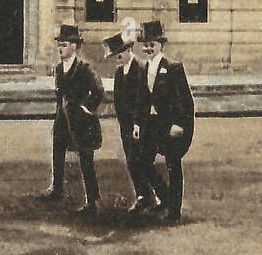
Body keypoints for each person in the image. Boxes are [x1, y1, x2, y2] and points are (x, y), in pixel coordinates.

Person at [39, 23, 106, 216]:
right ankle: (57, 189)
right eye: (59, 44)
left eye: (64, 44)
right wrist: (59, 113)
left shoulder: (85, 68)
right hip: (63, 120)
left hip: (82, 122)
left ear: (74, 46)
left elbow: (99, 91)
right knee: (57, 153)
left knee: (86, 160)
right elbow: (59, 95)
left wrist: (86, 108)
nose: (60, 48)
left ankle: (92, 200)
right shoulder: (59, 69)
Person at [133, 20, 195, 224]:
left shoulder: (172, 67)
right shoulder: (143, 68)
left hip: (168, 124)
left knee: (172, 165)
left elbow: (185, 100)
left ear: (161, 45)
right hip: (150, 124)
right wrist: (137, 123)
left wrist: (179, 124)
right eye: (145, 45)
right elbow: (141, 98)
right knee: (142, 161)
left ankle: (174, 210)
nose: (148, 48)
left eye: (152, 44)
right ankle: (165, 197)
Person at [104, 29, 159, 214]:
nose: (117, 58)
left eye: (119, 54)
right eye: (114, 56)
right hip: (126, 125)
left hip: (141, 125)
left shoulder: (142, 68)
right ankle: (143, 196)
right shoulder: (120, 73)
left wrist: (137, 123)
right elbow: (119, 100)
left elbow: (143, 99)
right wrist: (123, 123)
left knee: (141, 161)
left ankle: (161, 196)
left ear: (129, 50)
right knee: (131, 160)